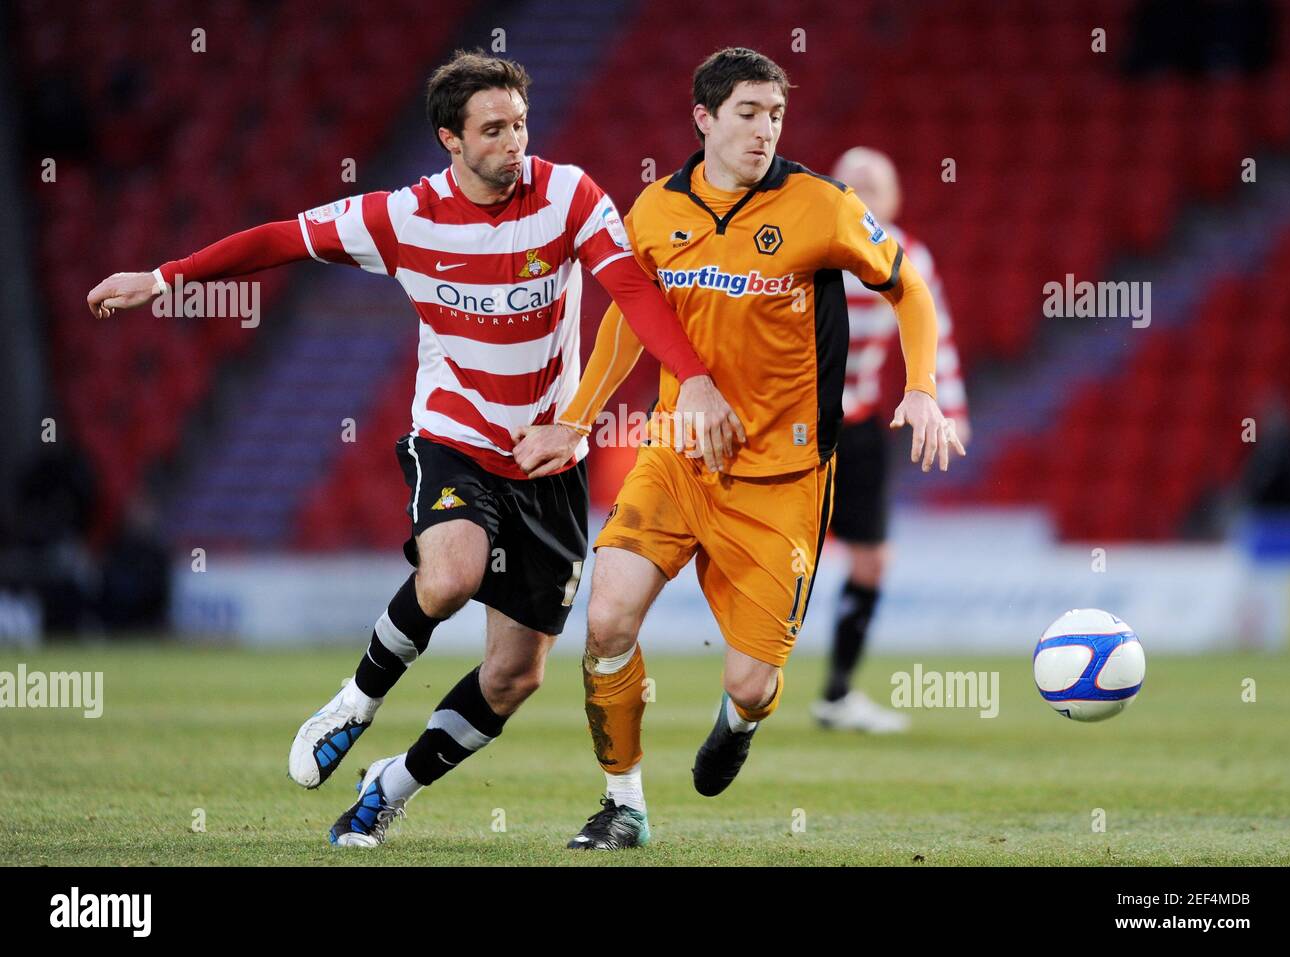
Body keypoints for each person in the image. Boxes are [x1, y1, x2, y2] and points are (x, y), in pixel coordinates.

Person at [86, 50, 738, 847]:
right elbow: (283, 238)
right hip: (456, 436)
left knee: (515, 675)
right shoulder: (401, 218)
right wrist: (166, 275)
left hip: (548, 460)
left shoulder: (569, 195)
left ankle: (387, 786)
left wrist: (694, 378)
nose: (514, 143)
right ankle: (354, 702)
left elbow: (633, 289)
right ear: (449, 140)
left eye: (520, 124)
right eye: (493, 130)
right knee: (452, 574)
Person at [513, 47, 964, 850]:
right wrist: (577, 418)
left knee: (752, 683)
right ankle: (624, 805)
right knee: (608, 615)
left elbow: (909, 288)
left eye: (775, 115)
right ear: (705, 119)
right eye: (748, 113)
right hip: (677, 456)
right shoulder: (653, 211)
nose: (764, 130)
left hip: (782, 477)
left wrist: (921, 386)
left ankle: (740, 720)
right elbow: (627, 320)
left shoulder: (820, 206)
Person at [810, 147, 971, 733]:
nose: (863, 195)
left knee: (873, 559)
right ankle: (747, 687)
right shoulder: (814, 249)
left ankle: (837, 695)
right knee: (771, 559)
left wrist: (947, 407)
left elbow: (937, 334)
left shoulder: (909, 257)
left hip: (855, 427)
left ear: (896, 199)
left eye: (875, 185)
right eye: (851, 184)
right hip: (790, 430)